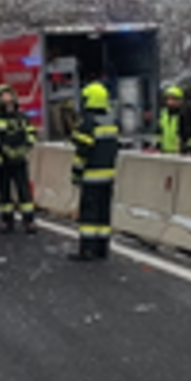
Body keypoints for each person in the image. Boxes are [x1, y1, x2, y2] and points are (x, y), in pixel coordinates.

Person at [71, 81, 120, 260]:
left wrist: (76, 173)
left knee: (89, 214)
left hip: (91, 176)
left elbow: (82, 152)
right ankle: (102, 248)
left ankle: (87, 249)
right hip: (108, 175)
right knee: (103, 213)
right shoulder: (112, 121)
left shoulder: (88, 123)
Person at [0, 85, 36, 232]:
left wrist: (24, 148)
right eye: (4, 96)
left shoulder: (22, 118)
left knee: (24, 192)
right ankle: (7, 221)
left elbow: (31, 133)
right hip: (3, 162)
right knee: (4, 193)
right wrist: (3, 149)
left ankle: (29, 221)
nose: (7, 99)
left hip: (20, 160)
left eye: (9, 95)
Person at [158, 85, 191, 156]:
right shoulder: (163, 113)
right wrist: (158, 144)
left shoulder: (184, 114)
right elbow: (159, 130)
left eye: (173, 99)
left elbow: (189, 132)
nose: (170, 101)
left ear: (179, 100)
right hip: (164, 151)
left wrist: (188, 147)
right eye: (168, 99)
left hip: (179, 151)